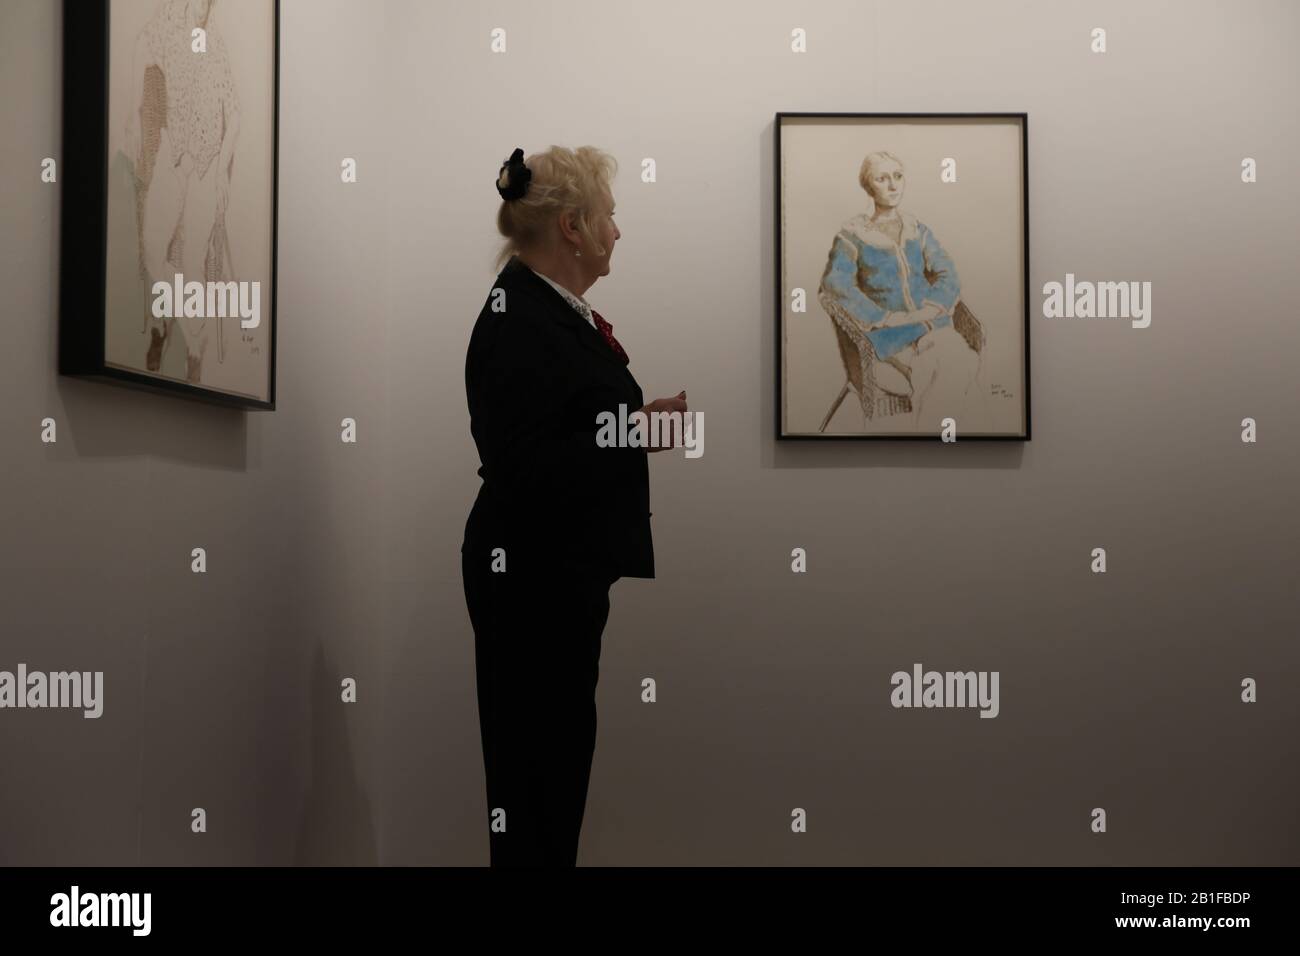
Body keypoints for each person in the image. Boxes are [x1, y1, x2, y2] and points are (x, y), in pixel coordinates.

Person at [461, 145, 687, 866]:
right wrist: (634, 430)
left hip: (551, 579)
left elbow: (553, 438)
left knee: (551, 781)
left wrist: (630, 427)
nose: (617, 232)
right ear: (572, 226)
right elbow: (523, 466)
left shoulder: (545, 311)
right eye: (609, 217)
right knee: (535, 787)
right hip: (530, 581)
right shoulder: (518, 317)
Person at [818, 151, 988, 431]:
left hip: (934, 325)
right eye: (882, 179)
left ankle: (938, 432)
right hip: (891, 337)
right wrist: (884, 318)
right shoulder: (852, 236)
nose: (893, 185)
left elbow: (948, 272)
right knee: (953, 363)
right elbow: (836, 284)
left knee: (951, 358)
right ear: (868, 186)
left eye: (897, 176)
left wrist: (934, 307)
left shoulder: (917, 230)